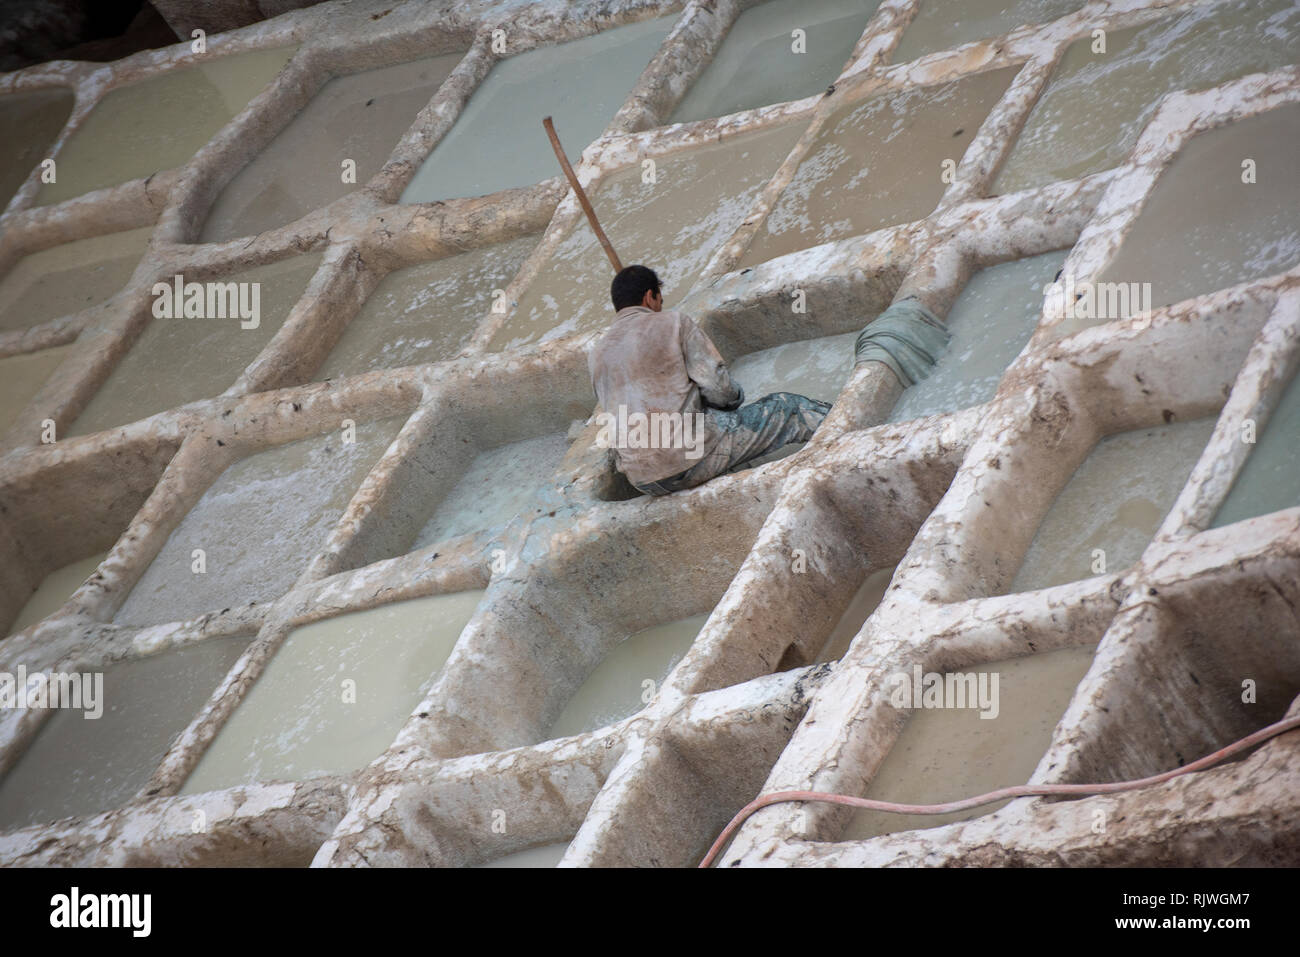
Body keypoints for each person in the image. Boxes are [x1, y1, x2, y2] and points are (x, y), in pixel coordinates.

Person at [588, 264, 832, 496]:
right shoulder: (673, 322)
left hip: (642, 479)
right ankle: (852, 436)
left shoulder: (597, 353)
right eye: (660, 301)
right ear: (650, 296)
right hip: (687, 459)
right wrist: (734, 400)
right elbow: (719, 389)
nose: (661, 307)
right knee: (789, 409)